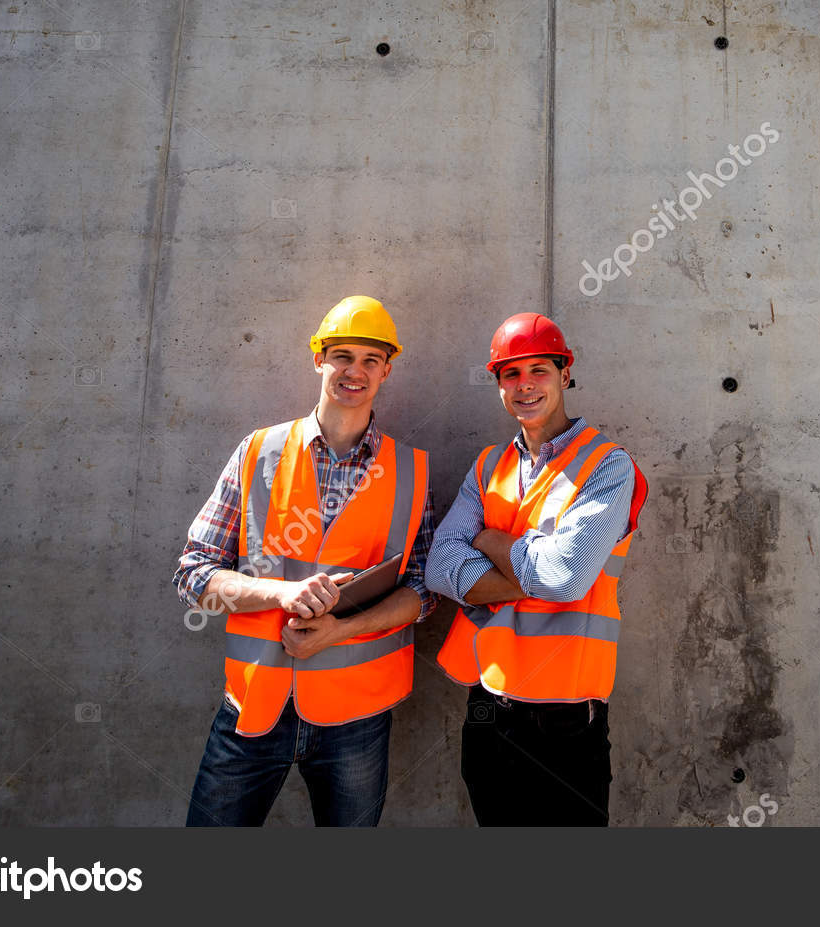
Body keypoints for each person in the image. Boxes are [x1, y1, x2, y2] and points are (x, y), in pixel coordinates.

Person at [174, 295, 435, 827]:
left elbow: (423, 592)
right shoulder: (259, 451)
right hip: (253, 706)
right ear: (319, 358)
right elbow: (193, 574)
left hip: (356, 718)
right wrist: (280, 594)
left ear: (387, 369)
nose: (354, 371)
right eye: (342, 355)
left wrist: (339, 632)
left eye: (369, 359)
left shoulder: (412, 471)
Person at [426, 312, 647, 826]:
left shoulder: (607, 465)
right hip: (488, 708)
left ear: (564, 374)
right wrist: (532, 568)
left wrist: (487, 539)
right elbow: (439, 566)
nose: (525, 385)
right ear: (499, 385)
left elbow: (565, 580)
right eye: (511, 374)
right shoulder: (488, 467)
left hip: (566, 720)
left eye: (539, 370)